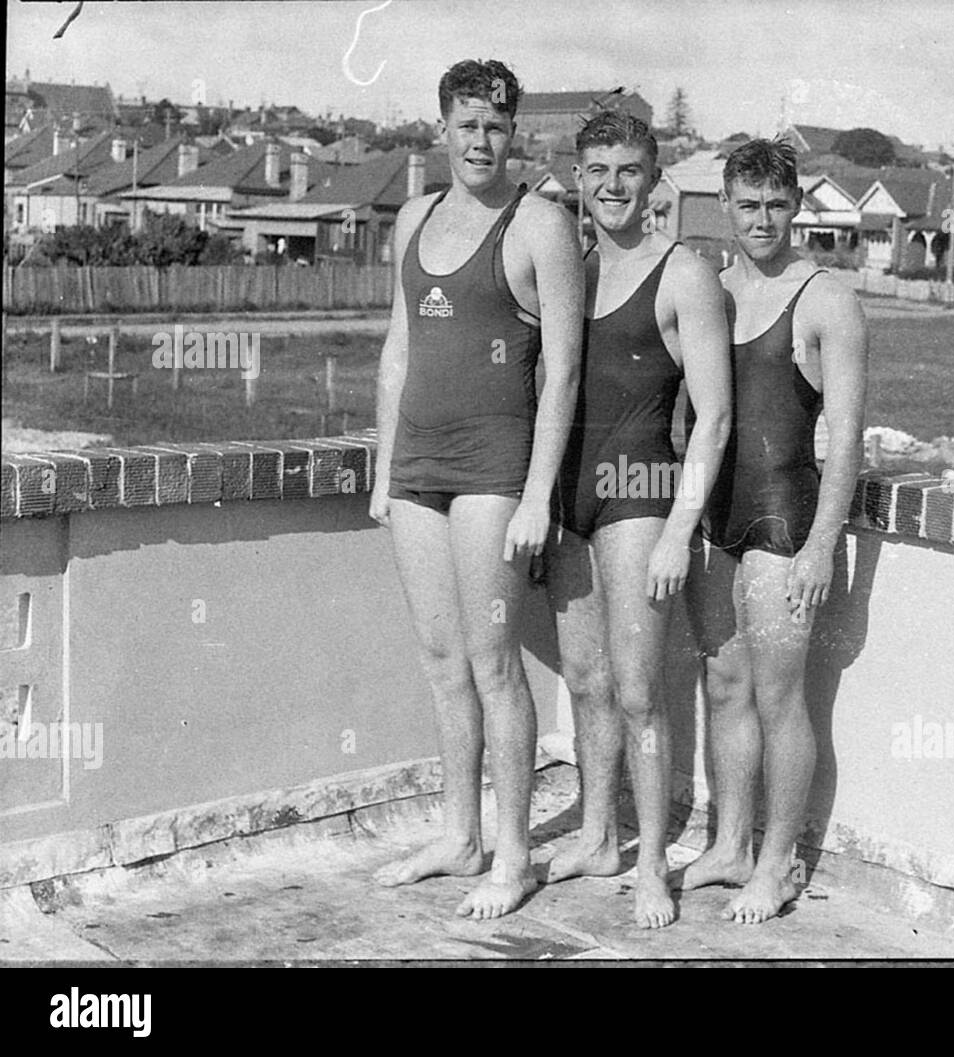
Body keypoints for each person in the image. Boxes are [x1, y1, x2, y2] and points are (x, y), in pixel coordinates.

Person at [368, 59, 584, 921]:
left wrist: (537, 494)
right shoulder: (413, 217)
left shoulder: (540, 226)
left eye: (496, 125)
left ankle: (515, 855)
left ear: (513, 131)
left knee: (495, 663)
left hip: (495, 470)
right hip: (416, 468)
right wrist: (384, 469)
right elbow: (397, 347)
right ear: (443, 130)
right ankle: (459, 835)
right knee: (441, 658)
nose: (481, 140)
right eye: (467, 124)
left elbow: (563, 372)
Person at [543, 110, 731, 929]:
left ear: (654, 180)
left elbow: (715, 417)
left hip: (640, 492)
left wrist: (679, 530)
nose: (612, 185)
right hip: (572, 494)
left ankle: (652, 862)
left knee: (639, 689)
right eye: (597, 170)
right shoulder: (572, 270)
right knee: (586, 679)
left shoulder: (683, 273)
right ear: (577, 180)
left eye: (628, 170)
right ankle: (597, 837)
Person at [682, 138, 868, 923]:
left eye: (776, 205)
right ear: (725, 205)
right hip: (717, 515)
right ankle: (730, 845)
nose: (762, 220)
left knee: (780, 697)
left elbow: (847, 438)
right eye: (747, 205)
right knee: (725, 685)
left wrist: (823, 542)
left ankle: (778, 862)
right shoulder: (713, 291)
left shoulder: (827, 299)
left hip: (783, 519)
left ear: (797, 207)